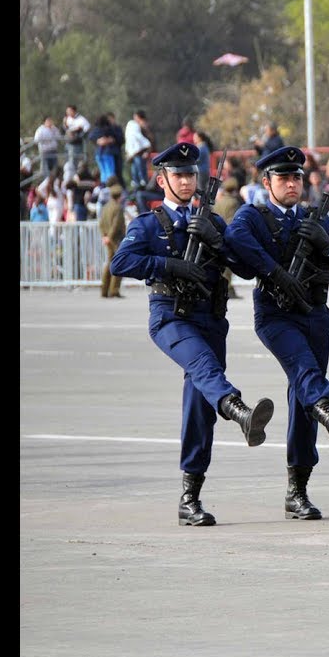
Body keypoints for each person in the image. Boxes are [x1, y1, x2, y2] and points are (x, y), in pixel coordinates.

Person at [110, 142, 273, 526]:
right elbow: (122, 261)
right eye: (178, 175)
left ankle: (190, 497)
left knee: (201, 407)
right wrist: (168, 264)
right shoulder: (148, 224)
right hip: (171, 317)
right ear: (162, 179)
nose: (186, 181)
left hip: (210, 319)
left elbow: (246, 270)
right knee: (203, 365)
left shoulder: (212, 221)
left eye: (190, 174)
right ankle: (238, 409)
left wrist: (218, 242)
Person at [224, 145, 329, 521]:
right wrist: (275, 272)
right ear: (266, 181)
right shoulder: (253, 216)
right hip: (276, 315)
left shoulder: (316, 218)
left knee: (304, 397)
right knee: (306, 372)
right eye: (283, 177)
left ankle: (297, 490)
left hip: (316, 316)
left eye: (296, 177)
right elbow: (235, 242)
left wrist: (328, 243)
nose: (291, 183)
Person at [98, 178, 126, 298]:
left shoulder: (105, 207)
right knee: (117, 264)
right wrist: (110, 237)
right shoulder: (118, 208)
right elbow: (115, 225)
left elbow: (101, 223)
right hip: (116, 240)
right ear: (119, 196)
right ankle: (114, 290)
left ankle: (104, 290)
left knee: (109, 263)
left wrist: (104, 236)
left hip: (108, 238)